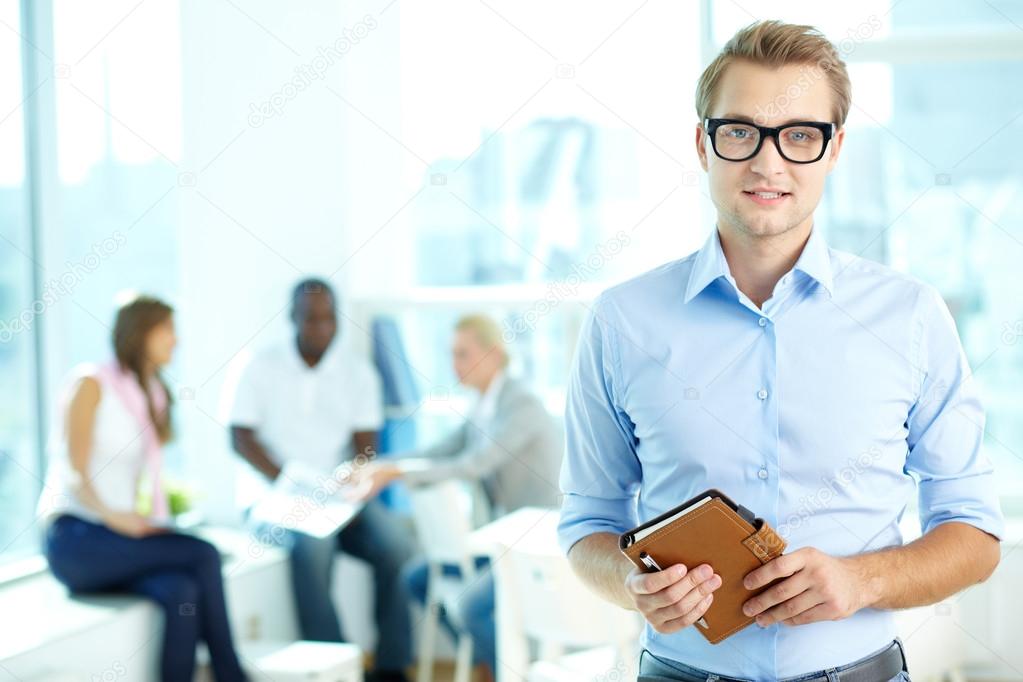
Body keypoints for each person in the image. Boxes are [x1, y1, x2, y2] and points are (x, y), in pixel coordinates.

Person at [558, 20, 1003, 682]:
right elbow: (588, 522)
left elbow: (974, 535)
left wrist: (861, 580)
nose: (768, 164)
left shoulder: (910, 316)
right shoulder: (621, 320)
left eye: (799, 135)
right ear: (703, 144)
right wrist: (631, 582)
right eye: (740, 132)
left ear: (834, 148)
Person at [39, 294, 246, 681]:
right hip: (76, 538)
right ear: (140, 332)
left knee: (181, 591)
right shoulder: (91, 383)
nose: (175, 340)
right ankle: (232, 675)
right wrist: (114, 517)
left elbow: (136, 480)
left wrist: (144, 521)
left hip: (119, 539)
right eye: (167, 329)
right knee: (204, 554)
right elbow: (73, 471)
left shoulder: (151, 393)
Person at [226, 278, 414, 682]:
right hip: (275, 496)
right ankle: (337, 666)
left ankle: (392, 666)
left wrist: (349, 481)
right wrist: (288, 479)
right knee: (314, 546)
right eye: (311, 319)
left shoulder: (357, 373)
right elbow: (240, 438)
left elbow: (366, 449)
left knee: (397, 545)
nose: (321, 328)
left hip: (337, 498)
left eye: (329, 318)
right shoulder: (259, 366)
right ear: (293, 318)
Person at [356, 314, 563, 681]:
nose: (454, 364)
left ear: (493, 354)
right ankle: (488, 663)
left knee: (470, 607)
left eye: (463, 354)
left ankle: (514, 674)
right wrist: (380, 465)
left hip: (536, 544)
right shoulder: (484, 405)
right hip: (501, 540)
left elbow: (473, 464)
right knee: (417, 579)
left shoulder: (520, 404)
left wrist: (396, 474)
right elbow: (442, 449)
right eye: (451, 354)